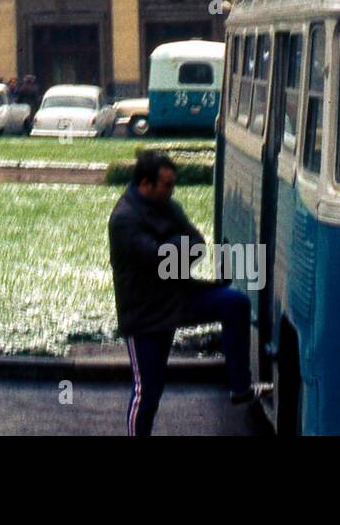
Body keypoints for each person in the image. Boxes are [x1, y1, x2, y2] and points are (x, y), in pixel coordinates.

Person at [108, 150, 268, 436]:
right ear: (146, 184)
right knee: (148, 392)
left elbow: (197, 243)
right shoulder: (125, 218)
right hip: (146, 314)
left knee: (235, 304)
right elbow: (159, 258)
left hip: (180, 297)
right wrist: (174, 248)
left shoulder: (168, 205)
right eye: (166, 184)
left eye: (173, 184)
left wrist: (171, 249)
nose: (172, 190)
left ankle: (240, 388)